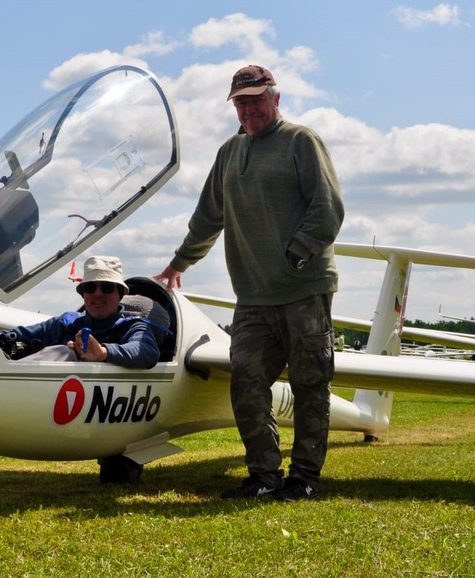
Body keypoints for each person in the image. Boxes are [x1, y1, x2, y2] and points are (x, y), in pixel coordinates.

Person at [154, 65, 344, 502]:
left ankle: (304, 479)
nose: (249, 109)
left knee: (310, 386)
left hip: (304, 290)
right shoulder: (229, 152)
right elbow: (208, 217)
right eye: (240, 102)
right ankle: (263, 476)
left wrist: (296, 253)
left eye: (257, 99)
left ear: (276, 98)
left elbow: (328, 207)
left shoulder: (301, 141)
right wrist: (179, 263)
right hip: (253, 298)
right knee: (246, 382)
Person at [0, 256, 161, 369]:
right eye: (90, 287)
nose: (97, 294)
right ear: (83, 294)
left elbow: (147, 351)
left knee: (65, 352)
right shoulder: (66, 323)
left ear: (120, 294)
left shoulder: (134, 327)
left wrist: (103, 352)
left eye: (107, 287)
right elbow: (17, 335)